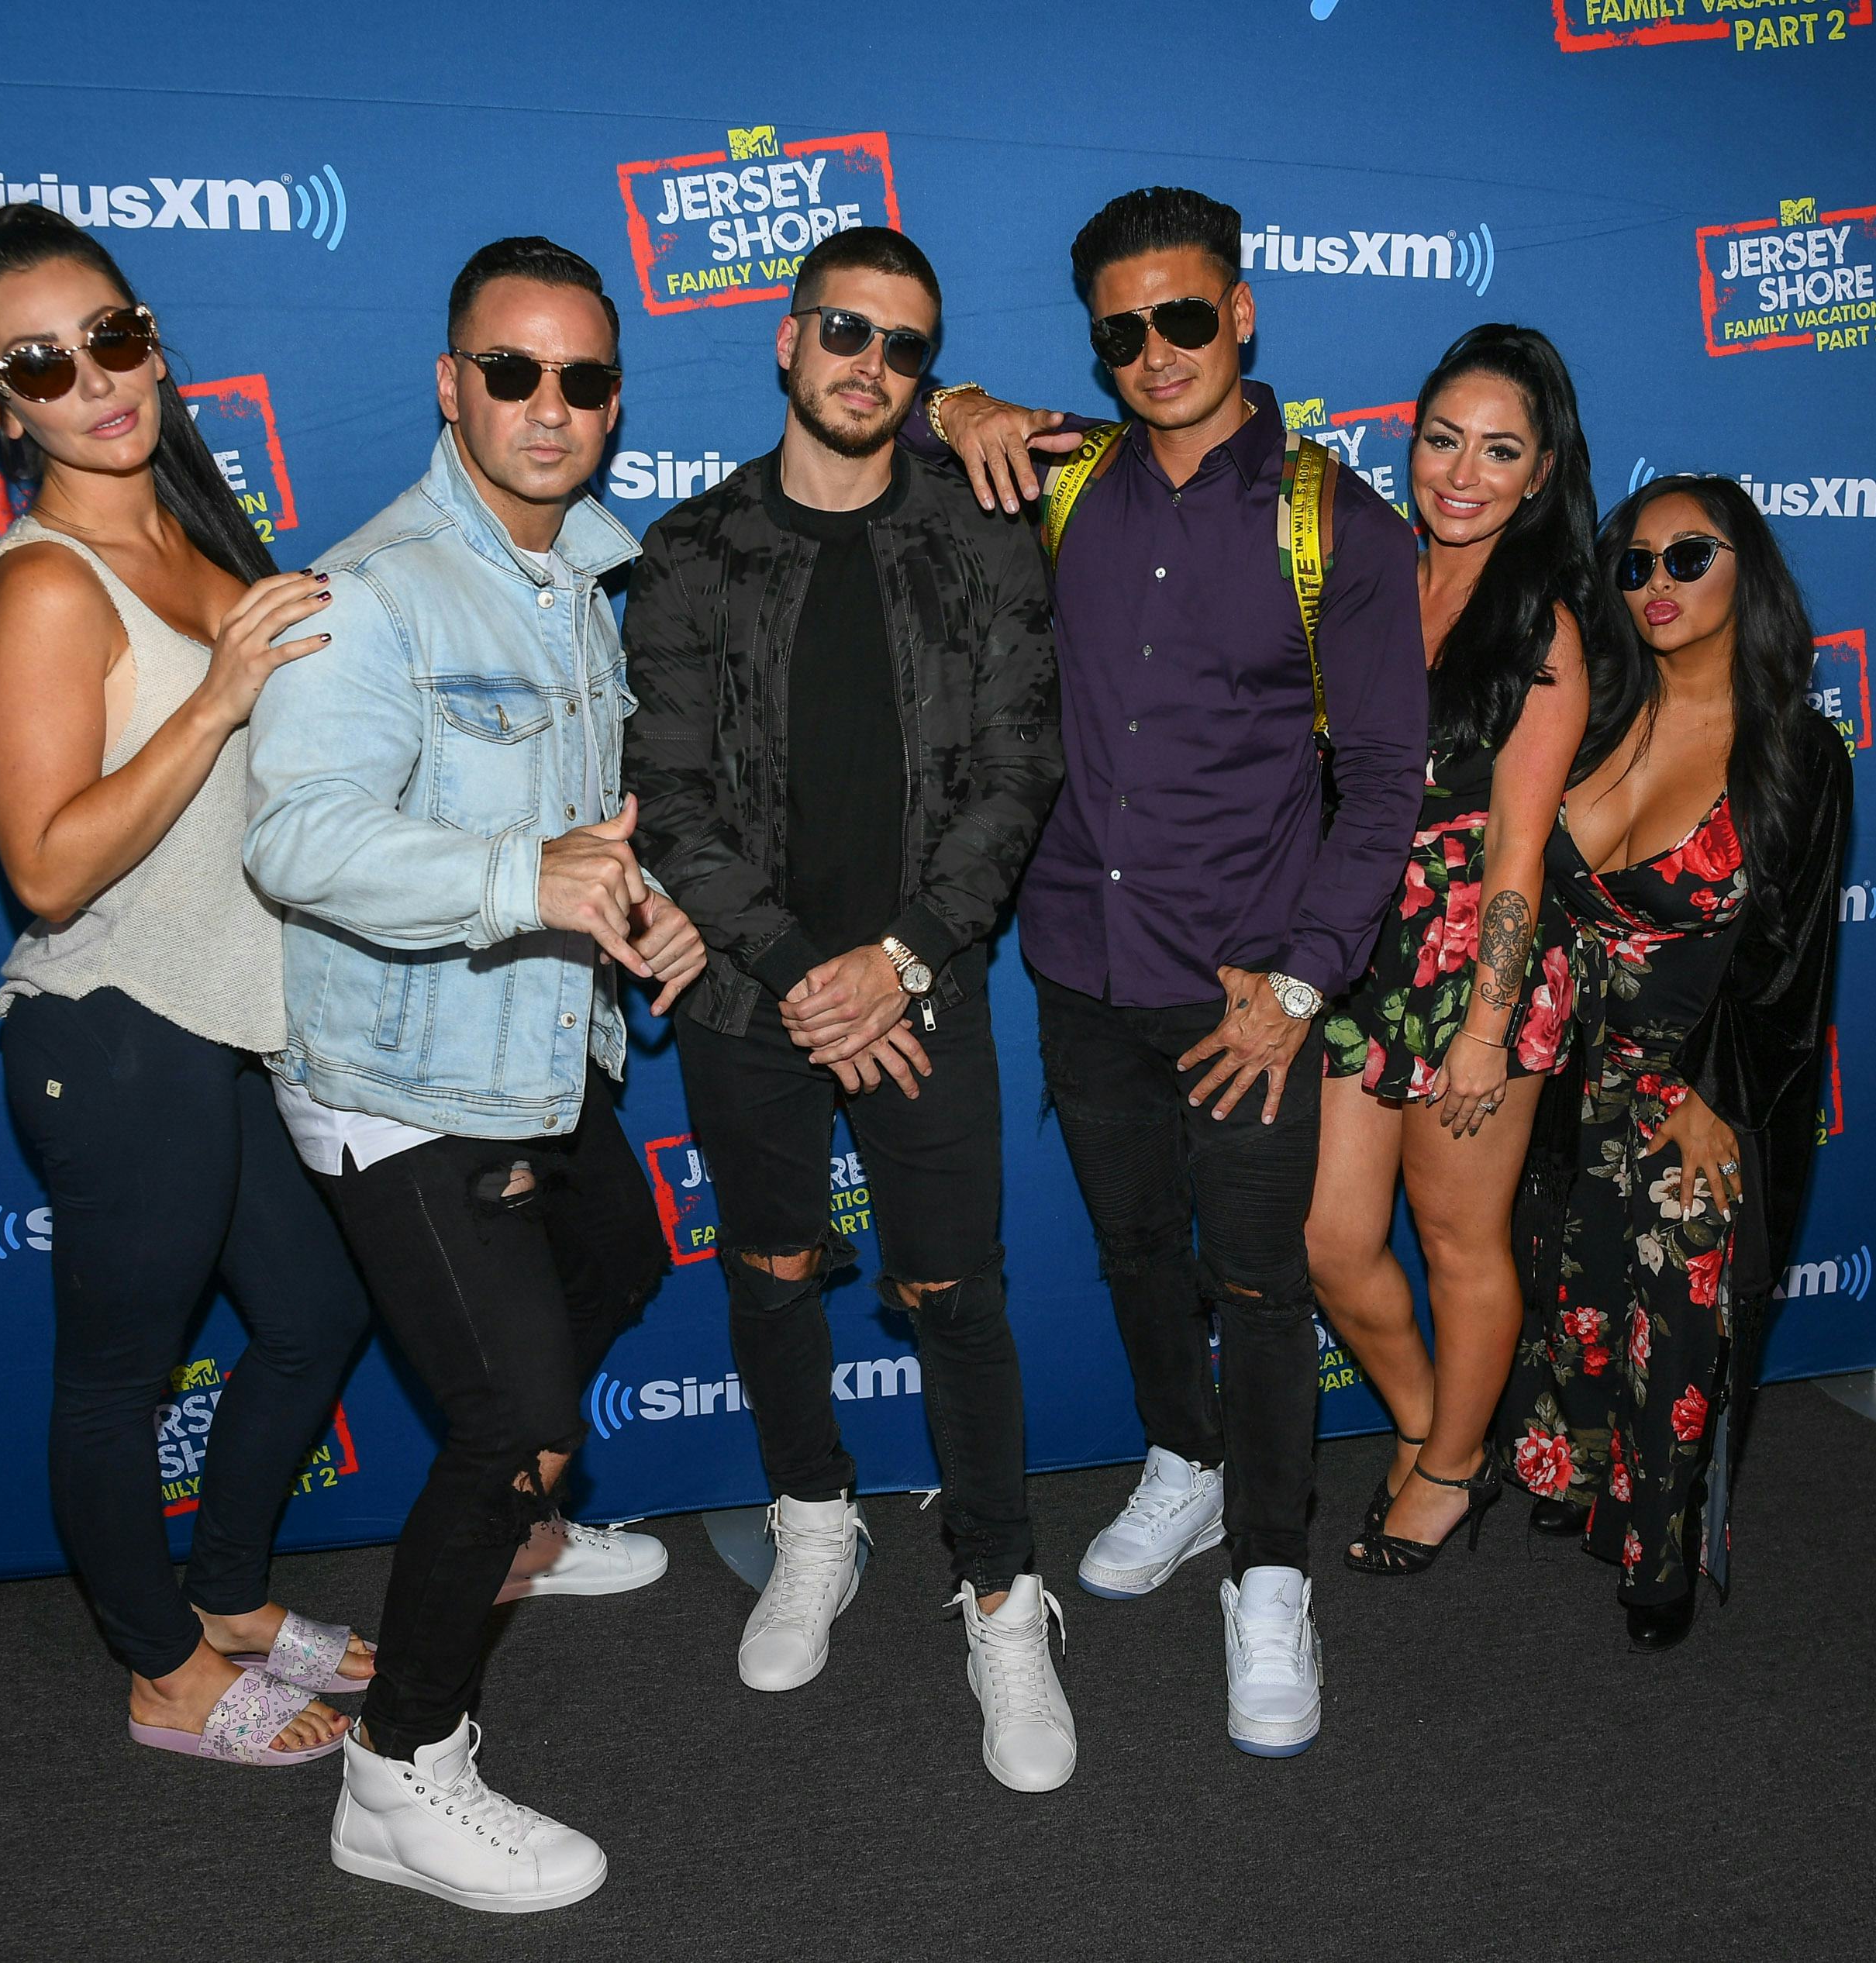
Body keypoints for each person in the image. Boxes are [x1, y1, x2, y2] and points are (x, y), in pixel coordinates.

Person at [913, 186, 1426, 1755]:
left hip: (1244, 994)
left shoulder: (1340, 522)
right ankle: (1185, 1463)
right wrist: (957, 400)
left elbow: (1385, 785)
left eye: (1185, 317)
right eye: (1123, 330)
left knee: (1264, 1290)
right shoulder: (1066, 475)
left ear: (1242, 313)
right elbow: (888, 411)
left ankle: (1271, 1576)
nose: (1156, 351)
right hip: (1081, 961)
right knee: (1137, 1248)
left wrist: (1304, 984)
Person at [244, 236, 705, 1911]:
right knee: (515, 1412)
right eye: (512, 372)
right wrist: (530, 880)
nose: (548, 406)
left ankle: (521, 1523)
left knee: (622, 1262)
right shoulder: (371, 589)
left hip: (538, 1044)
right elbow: (299, 840)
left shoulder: (577, 578)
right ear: (452, 385)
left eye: (583, 379)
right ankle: (398, 1776)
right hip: (401, 1074)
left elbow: (566, 831)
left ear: (613, 403)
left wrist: (629, 903)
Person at [623, 227, 1072, 1790]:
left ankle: (1002, 1595)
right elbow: (668, 793)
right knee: (769, 1272)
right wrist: (807, 974)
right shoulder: (690, 549)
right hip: (751, 996)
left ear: (927, 371)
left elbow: (1020, 768)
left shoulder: (983, 538)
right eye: (844, 331)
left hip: (923, 988)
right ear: (786, 337)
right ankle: (812, 1520)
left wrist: (906, 958)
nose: (869, 364)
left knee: (957, 1297)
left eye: (904, 346)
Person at [0, 203, 374, 1768]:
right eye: (39, 365)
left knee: (316, 1314)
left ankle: (232, 1597)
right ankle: (160, 1670)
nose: (93, 381)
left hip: (226, 1024)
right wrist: (219, 698)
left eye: (113, 336)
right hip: (115, 1030)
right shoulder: (46, 584)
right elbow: (46, 868)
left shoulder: (194, 537)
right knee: (119, 1378)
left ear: (151, 340)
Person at [1499, 474, 1850, 1651]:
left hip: (1701, 1084)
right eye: (1636, 563)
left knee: (1681, 1299)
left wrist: (1713, 1098)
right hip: (1567, 1073)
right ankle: (1572, 1466)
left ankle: (1661, 1551)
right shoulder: (1590, 715)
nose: (1657, 583)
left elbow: (1793, 966)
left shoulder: (1796, 752)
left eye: (1689, 557)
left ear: (1749, 574)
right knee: (1566, 1279)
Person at [1304, 326, 1600, 1574]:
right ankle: (1445, 1431)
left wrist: (1486, 1029)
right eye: (1443, 440)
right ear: (1409, 442)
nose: (1463, 474)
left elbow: (1520, 852)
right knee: (1330, 1240)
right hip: (1359, 948)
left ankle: (1446, 1468)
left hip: (1480, 963)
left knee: (1457, 1240)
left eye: (1500, 451)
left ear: (1541, 474)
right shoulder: (1372, 580)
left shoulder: (1543, 630)